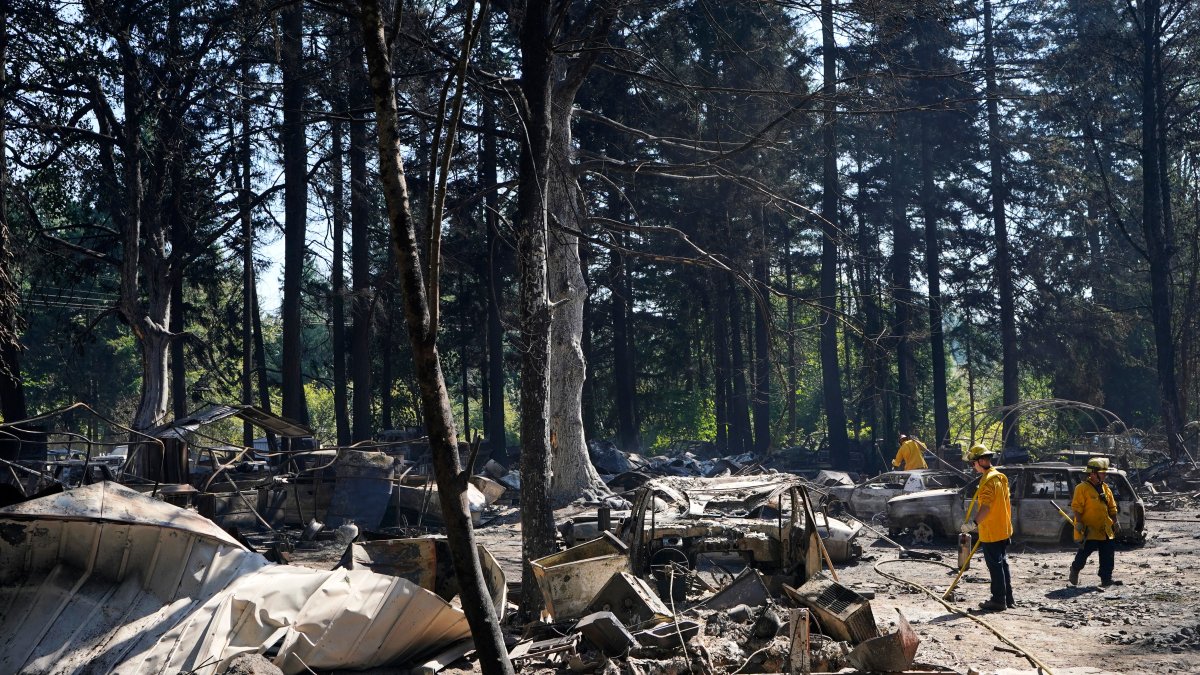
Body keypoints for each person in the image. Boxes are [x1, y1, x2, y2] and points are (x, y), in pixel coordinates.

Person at [964, 444, 1013, 611]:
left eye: (973, 463)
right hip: (1003, 528)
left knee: (995, 565)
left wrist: (973, 524)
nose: (973, 467)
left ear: (982, 461)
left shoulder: (987, 481)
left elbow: (986, 507)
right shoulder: (1000, 477)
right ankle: (1008, 598)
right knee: (1002, 563)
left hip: (992, 531)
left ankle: (998, 600)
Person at [1069, 457, 1121, 587]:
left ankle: (1106, 579)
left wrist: (1115, 522)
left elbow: (1112, 507)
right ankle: (1075, 569)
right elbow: (1076, 508)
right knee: (1083, 554)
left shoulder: (1106, 488)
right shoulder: (1082, 488)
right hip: (1090, 529)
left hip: (1105, 529)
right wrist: (1079, 523)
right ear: (1092, 474)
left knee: (1108, 556)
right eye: (1102, 473)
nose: (1105, 475)